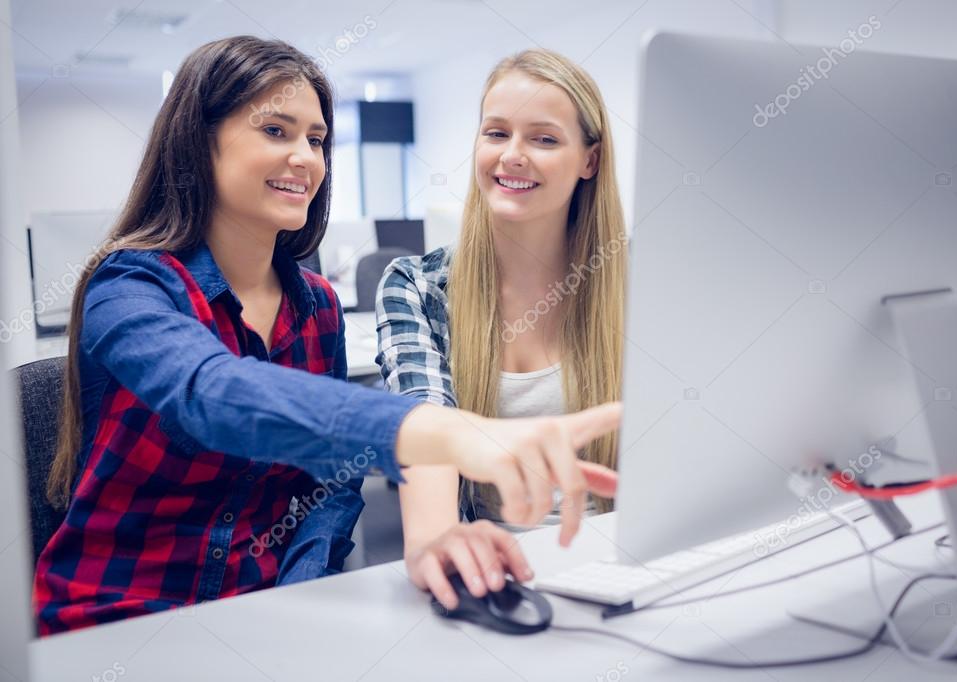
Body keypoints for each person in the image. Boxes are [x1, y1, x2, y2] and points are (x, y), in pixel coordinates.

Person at [33, 36, 620, 635]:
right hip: (118, 619)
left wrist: (295, 601)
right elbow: (210, 393)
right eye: (276, 131)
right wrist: (443, 435)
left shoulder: (316, 309)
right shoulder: (129, 286)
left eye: (315, 140)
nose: (306, 158)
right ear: (199, 142)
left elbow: (331, 489)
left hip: (270, 614)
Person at [377, 49, 626, 609]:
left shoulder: (636, 284)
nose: (512, 156)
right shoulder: (418, 287)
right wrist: (437, 542)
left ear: (590, 160)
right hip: (500, 576)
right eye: (496, 133)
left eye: (543, 138)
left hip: (627, 560)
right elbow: (427, 434)